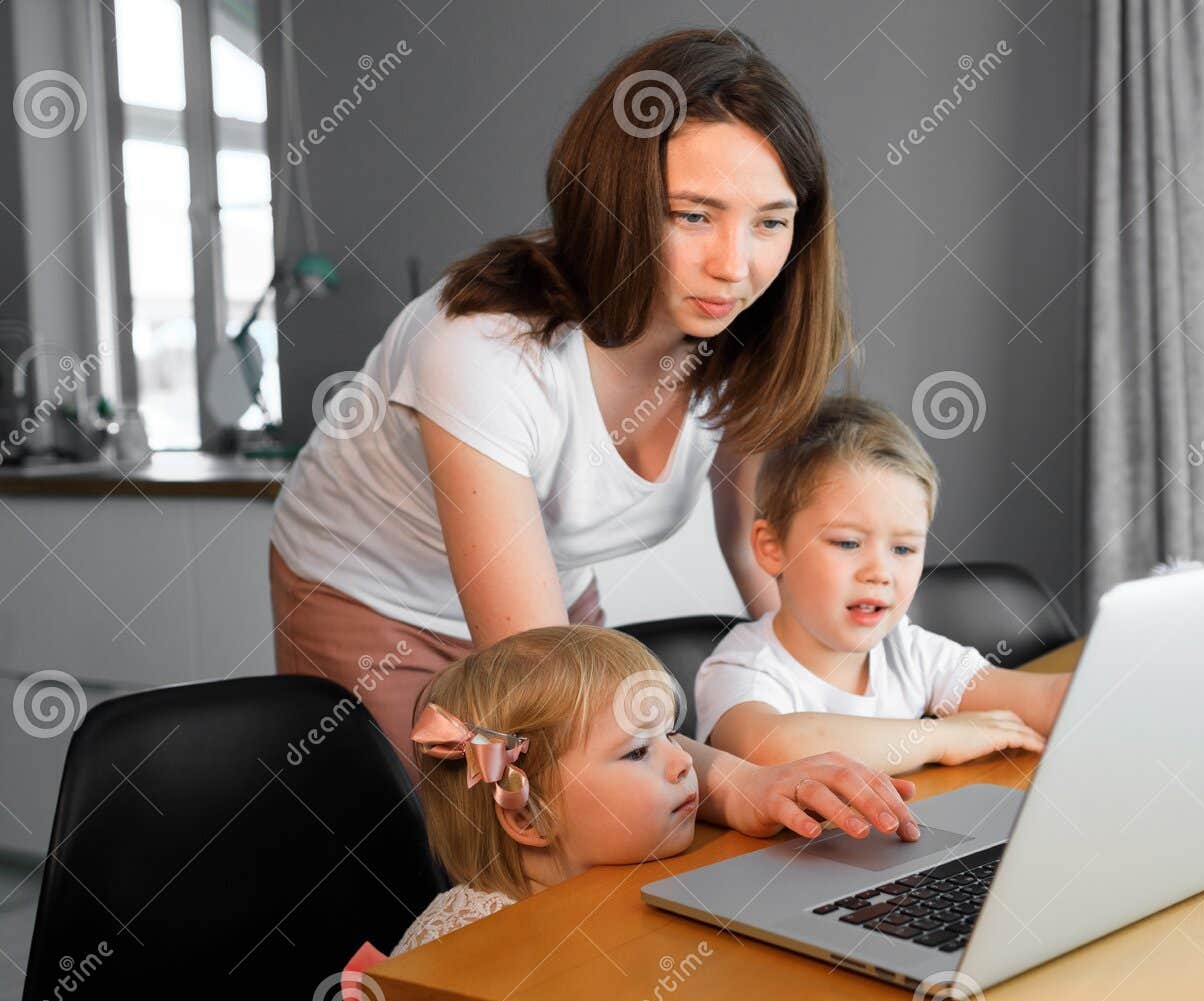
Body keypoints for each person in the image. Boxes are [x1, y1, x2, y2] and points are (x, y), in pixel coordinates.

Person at [267, 29, 892, 822]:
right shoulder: (483, 349)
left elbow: (750, 541)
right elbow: (539, 678)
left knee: (600, 809)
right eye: (694, 215)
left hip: (543, 585)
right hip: (370, 595)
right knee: (456, 850)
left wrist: (822, 688)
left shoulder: (735, 329)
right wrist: (739, 783)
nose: (736, 266)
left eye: (770, 222)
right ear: (616, 202)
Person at [391, 625, 922, 953]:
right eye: (638, 751)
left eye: (670, 734)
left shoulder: (629, 858)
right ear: (529, 817)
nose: (682, 760)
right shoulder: (457, 946)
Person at [695, 396, 1072, 772]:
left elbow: (1046, 702)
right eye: (847, 543)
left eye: (904, 548)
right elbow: (775, 746)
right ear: (772, 548)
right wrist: (939, 737)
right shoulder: (741, 668)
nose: (879, 571)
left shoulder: (909, 652)